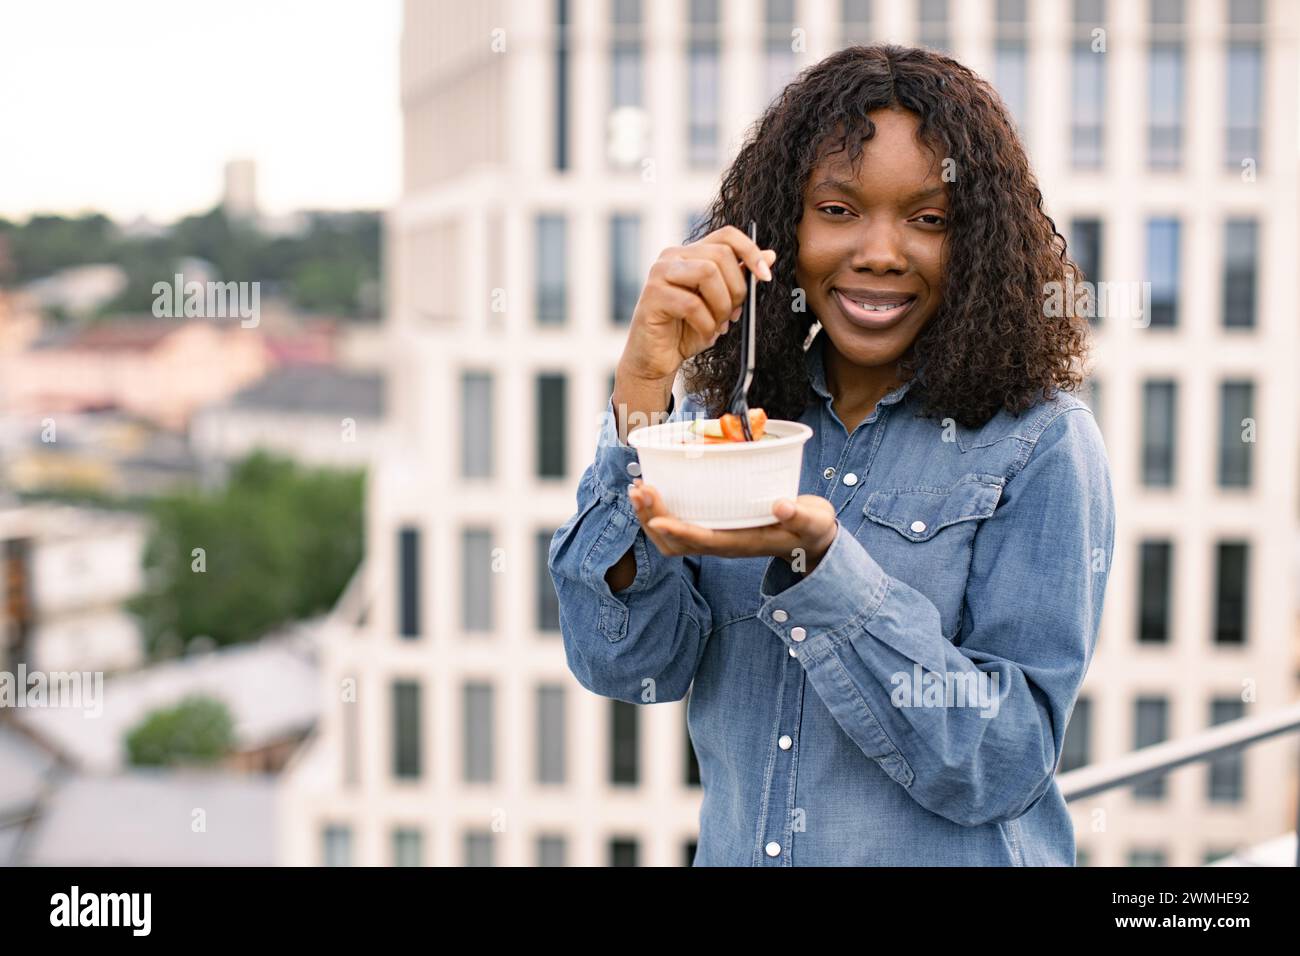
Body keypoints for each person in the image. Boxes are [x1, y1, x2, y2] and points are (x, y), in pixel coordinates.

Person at [548, 44, 1114, 866]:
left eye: (929, 219)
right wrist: (642, 384)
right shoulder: (725, 426)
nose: (881, 251)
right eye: (838, 209)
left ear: (979, 244)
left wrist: (827, 572)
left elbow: (1008, 759)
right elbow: (626, 663)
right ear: (782, 232)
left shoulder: (1041, 442)